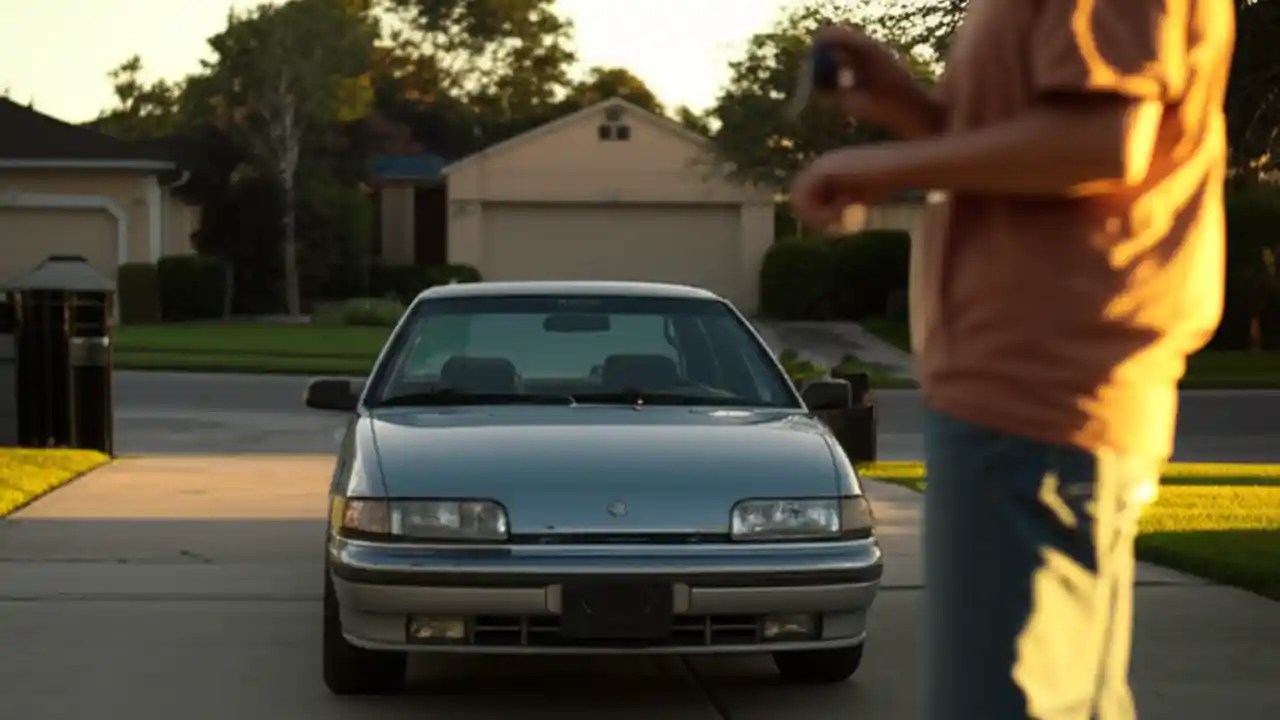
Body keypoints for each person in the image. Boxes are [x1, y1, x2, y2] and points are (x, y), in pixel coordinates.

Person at [789, 2, 1236, 718]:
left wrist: (879, 165)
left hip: (1038, 390)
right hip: (1031, 389)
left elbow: (1102, 143)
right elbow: (1043, 155)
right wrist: (911, 110)